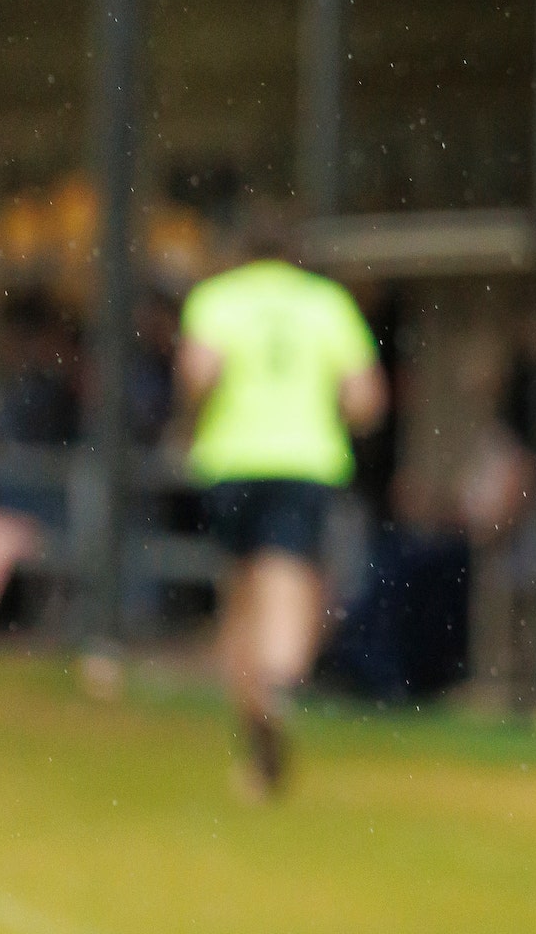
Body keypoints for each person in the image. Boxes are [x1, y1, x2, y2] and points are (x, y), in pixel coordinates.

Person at [178, 220, 387, 799]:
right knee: (290, 573)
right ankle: (278, 677)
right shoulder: (325, 304)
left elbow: (197, 375)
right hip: (305, 459)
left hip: (231, 458)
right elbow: (366, 398)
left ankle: (254, 718)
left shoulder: (217, 299)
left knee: (240, 592)